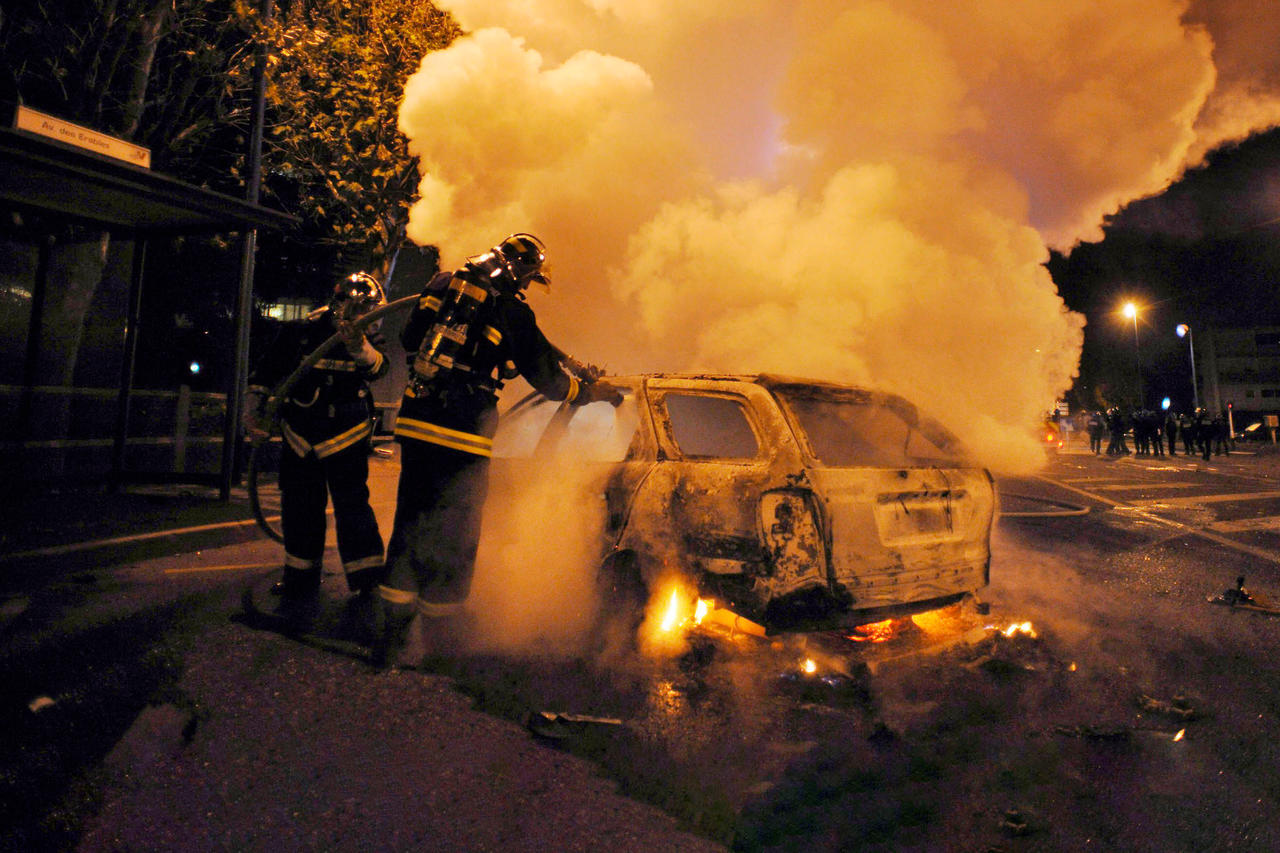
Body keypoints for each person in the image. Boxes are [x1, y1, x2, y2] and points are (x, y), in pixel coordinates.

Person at [375, 233, 621, 666]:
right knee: (457, 532)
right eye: (528, 279)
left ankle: (390, 630)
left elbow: (410, 339)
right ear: (521, 274)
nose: (526, 287)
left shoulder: (442, 285)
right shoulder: (512, 311)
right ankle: (442, 634)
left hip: (416, 424)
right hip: (463, 433)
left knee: (411, 520)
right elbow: (547, 377)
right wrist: (585, 392)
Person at [243, 272, 390, 602]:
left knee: (353, 510)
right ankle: (299, 579)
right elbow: (267, 371)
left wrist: (359, 346)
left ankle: (367, 581)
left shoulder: (366, 340)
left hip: (346, 437)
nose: (369, 318)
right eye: (364, 310)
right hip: (301, 436)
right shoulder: (303, 331)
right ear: (343, 305)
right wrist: (254, 408)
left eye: (372, 311)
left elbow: (379, 368)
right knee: (300, 509)